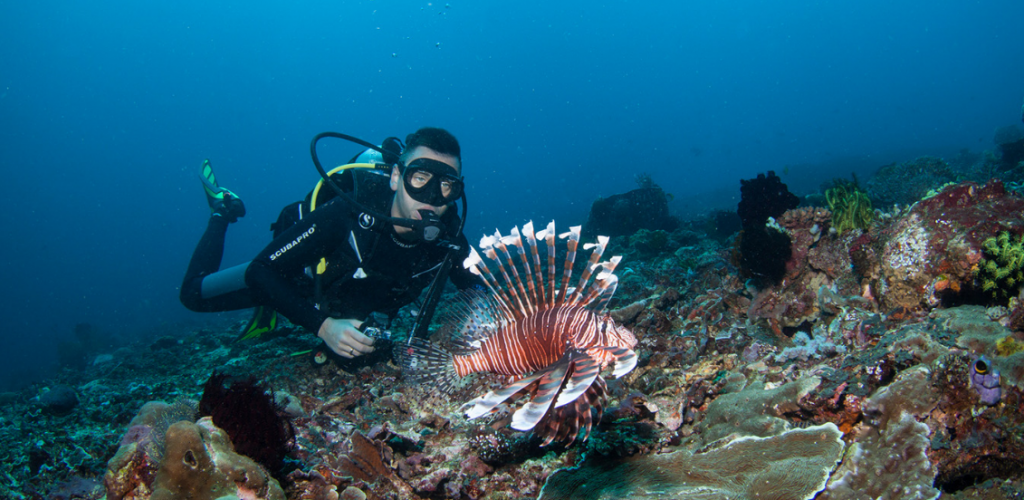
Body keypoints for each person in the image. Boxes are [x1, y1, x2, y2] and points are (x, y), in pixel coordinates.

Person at [180, 127, 480, 361]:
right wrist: (324, 327)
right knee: (194, 295)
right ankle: (222, 210)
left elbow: (479, 292)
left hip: (349, 298)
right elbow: (260, 271)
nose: (432, 197)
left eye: (446, 185)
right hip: (299, 280)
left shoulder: (449, 240)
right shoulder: (349, 212)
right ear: (396, 177)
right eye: (420, 177)